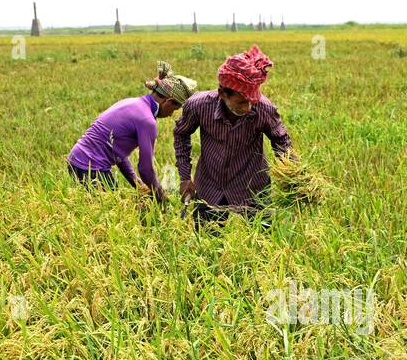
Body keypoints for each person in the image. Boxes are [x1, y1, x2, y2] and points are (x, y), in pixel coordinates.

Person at [173, 45, 292, 226]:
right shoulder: (199, 106)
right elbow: (181, 134)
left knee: (263, 242)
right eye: (242, 102)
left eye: (252, 100)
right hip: (210, 186)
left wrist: (293, 174)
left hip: (252, 187)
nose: (248, 108)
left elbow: (281, 141)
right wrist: (184, 177)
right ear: (223, 94)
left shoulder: (264, 109)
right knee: (207, 242)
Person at [67, 61, 196, 202]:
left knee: (94, 207)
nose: (171, 114)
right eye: (173, 109)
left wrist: (136, 182)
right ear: (169, 101)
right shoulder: (147, 120)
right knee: (112, 212)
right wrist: (160, 196)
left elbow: (116, 151)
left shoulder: (132, 103)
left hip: (75, 160)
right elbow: (145, 168)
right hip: (92, 168)